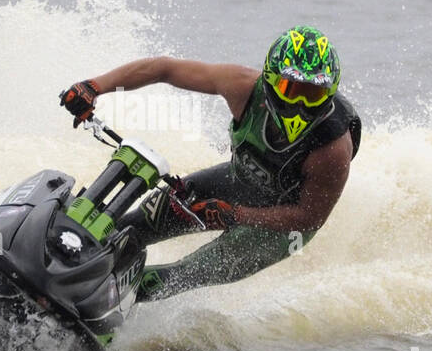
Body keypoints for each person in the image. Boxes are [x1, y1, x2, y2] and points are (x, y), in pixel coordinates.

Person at [59, 25, 360, 301]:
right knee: (129, 229)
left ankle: (99, 310)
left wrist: (234, 215)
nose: (299, 104)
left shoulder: (332, 148)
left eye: (313, 94)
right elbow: (165, 69)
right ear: (270, 79)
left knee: (175, 276)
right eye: (290, 90)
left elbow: (308, 217)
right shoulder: (242, 87)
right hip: (237, 182)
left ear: (329, 93)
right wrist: (94, 86)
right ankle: (63, 266)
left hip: (280, 228)